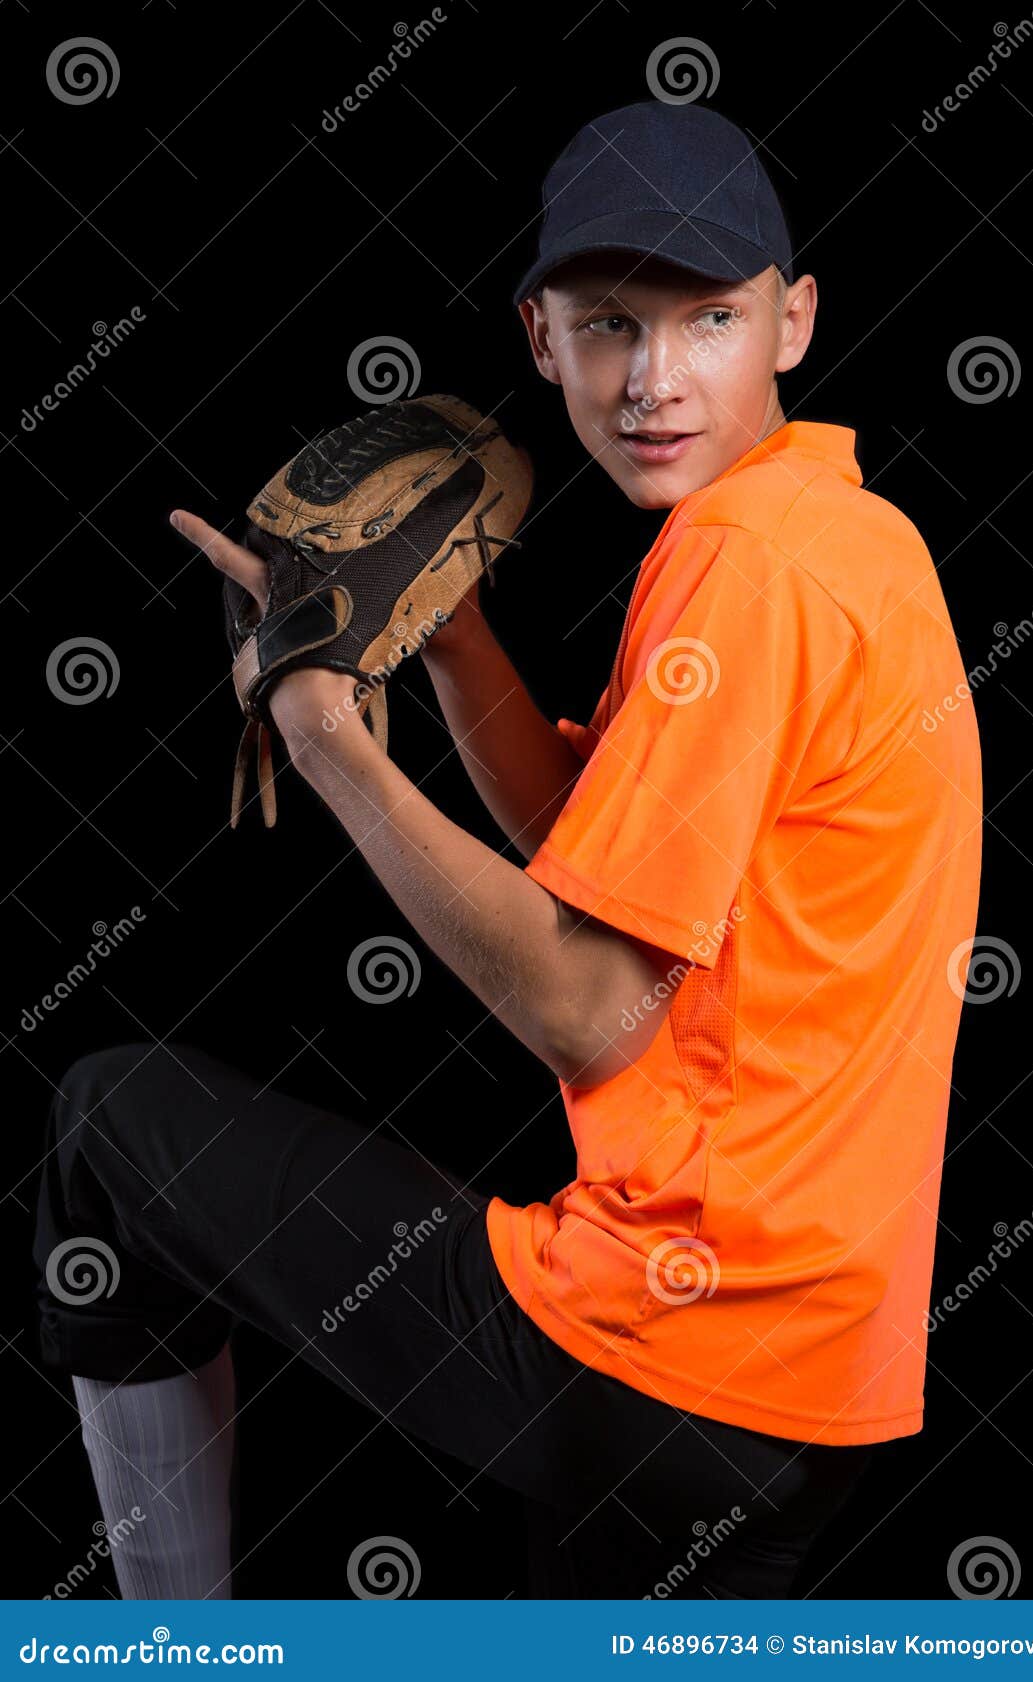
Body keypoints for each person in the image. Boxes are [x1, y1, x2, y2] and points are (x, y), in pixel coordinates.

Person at [32, 99, 981, 1600]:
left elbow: (587, 1005)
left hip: (664, 1346)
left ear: (792, 323)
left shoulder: (742, 567)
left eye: (711, 318)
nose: (654, 378)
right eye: (610, 326)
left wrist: (330, 738)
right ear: (542, 339)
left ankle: (169, 1648)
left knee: (110, 1129)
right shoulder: (842, 536)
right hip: (805, 1393)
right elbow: (598, 849)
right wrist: (455, 631)